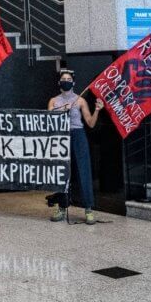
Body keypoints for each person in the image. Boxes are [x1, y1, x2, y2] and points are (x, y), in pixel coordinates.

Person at [47, 70, 104, 225]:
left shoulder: (80, 101)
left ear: (73, 82)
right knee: (61, 173)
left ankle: (88, 209)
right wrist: (61, 110)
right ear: (59, 83)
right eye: (63, 79)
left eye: (69, 79)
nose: (66, 81)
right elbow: (48, 120)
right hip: (60, 136)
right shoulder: (53, 101)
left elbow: (91, 123)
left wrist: (97, 110)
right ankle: (61, 207)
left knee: (83, 171)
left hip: (78, 136)